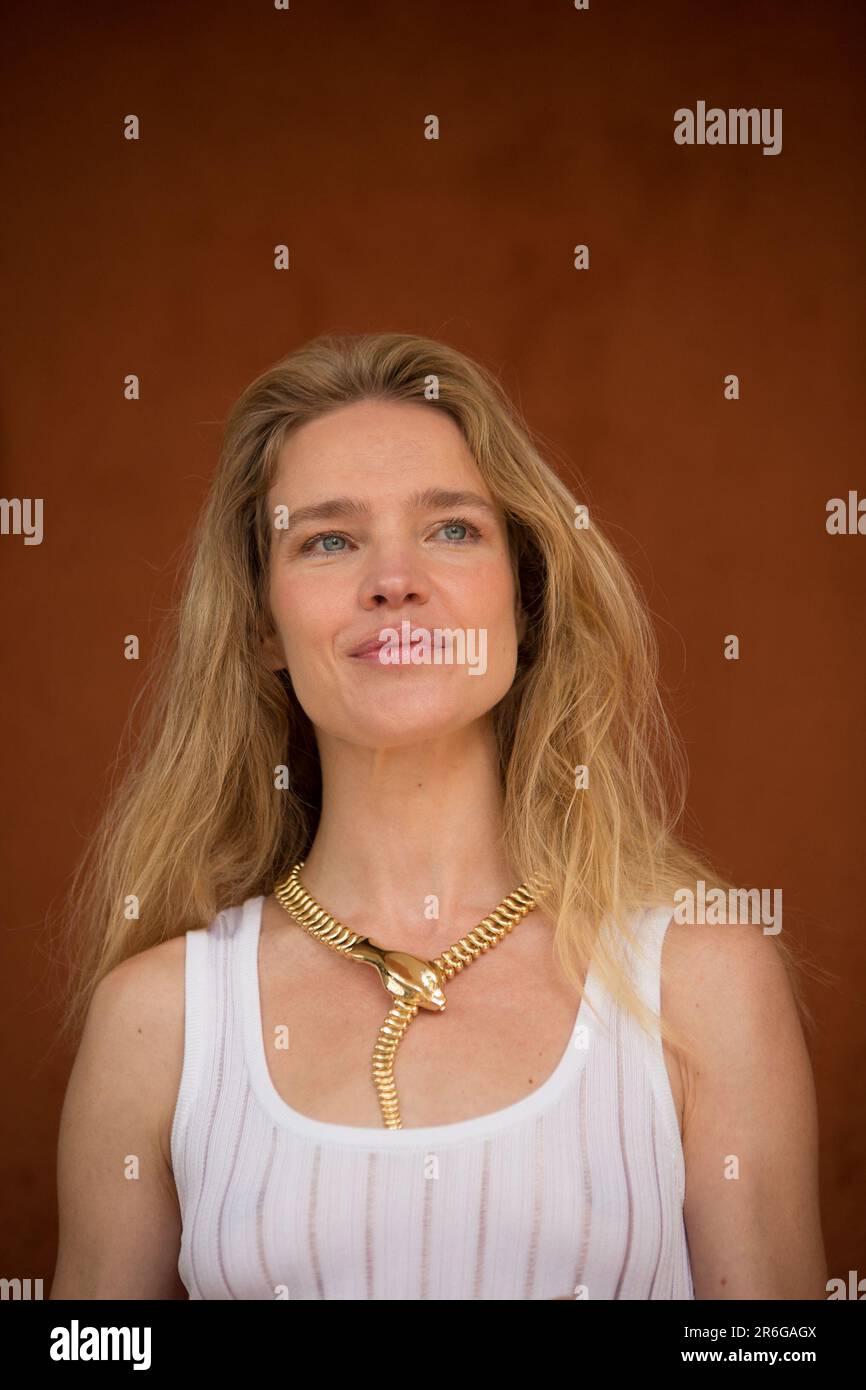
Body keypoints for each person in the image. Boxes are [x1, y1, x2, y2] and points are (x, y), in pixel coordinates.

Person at [48, 332, 827, 1300]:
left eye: (451, 528)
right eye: (327, 539)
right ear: (259, 625)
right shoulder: (156, 1019)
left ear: (524, 595)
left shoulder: (701, 980)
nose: (393, 578)